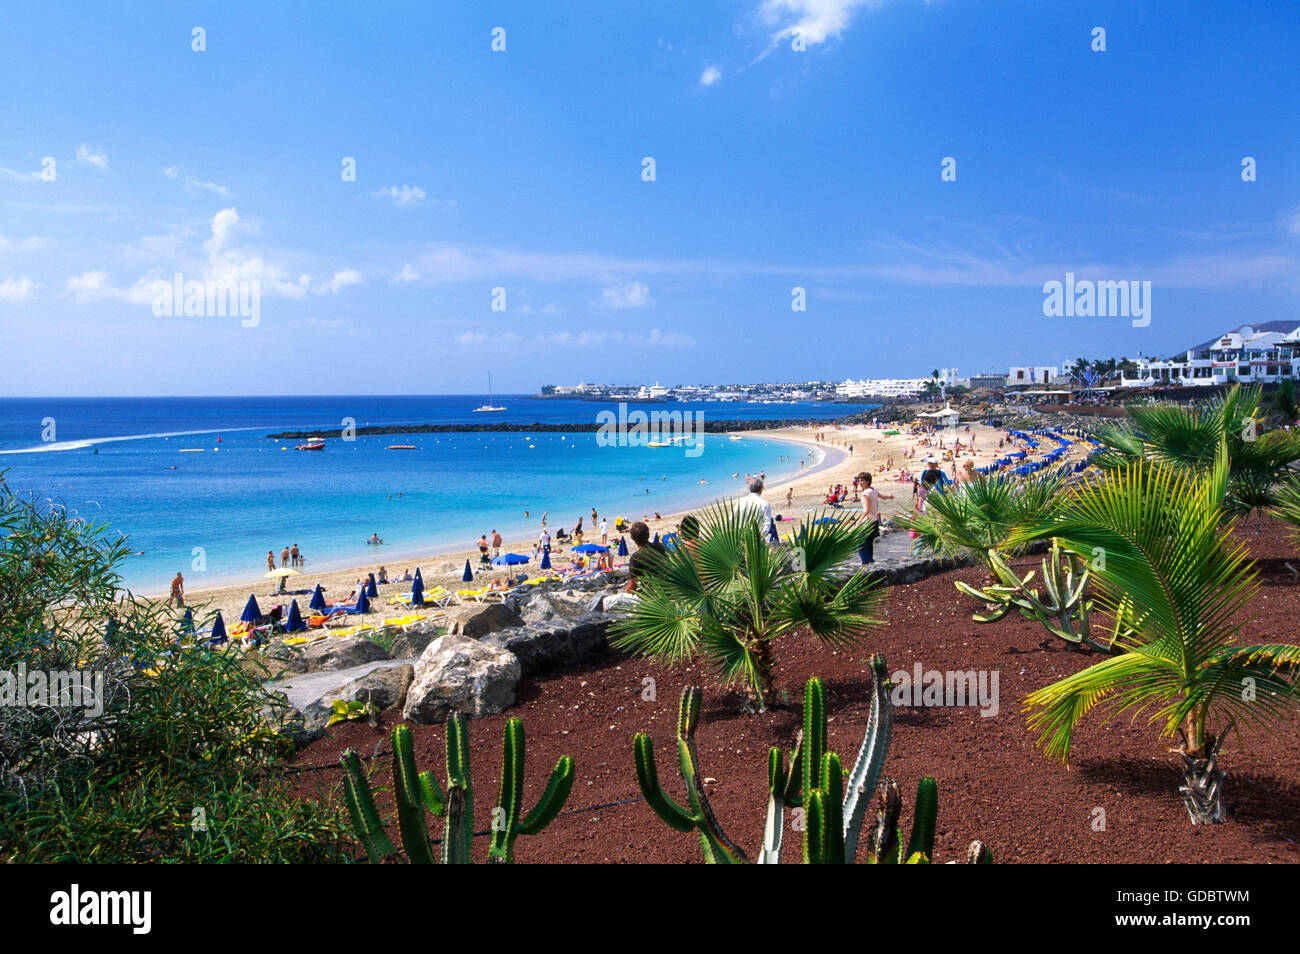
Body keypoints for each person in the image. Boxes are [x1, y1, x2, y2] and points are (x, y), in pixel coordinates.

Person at [856, 472, 893, 564]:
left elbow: (866, 510)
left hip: (867, 522)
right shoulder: (873, 490)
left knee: (859, 544)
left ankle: (868, 562)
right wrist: (889, 497)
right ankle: (870, 564)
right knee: (869, 544)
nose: (860, 483)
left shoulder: (866, 493)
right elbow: (883, 497)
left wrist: (858, 522)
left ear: (868, 481)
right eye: (859, 480)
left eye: (862, 481)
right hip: (875, 521)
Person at [626, 520, 667, 593]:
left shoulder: (636, 557)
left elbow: (632, 587)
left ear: (631, 537)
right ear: (648, 535)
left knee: (607, 601)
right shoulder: (660, 547)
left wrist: (626, 593)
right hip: (670, 589)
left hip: (652, 595)